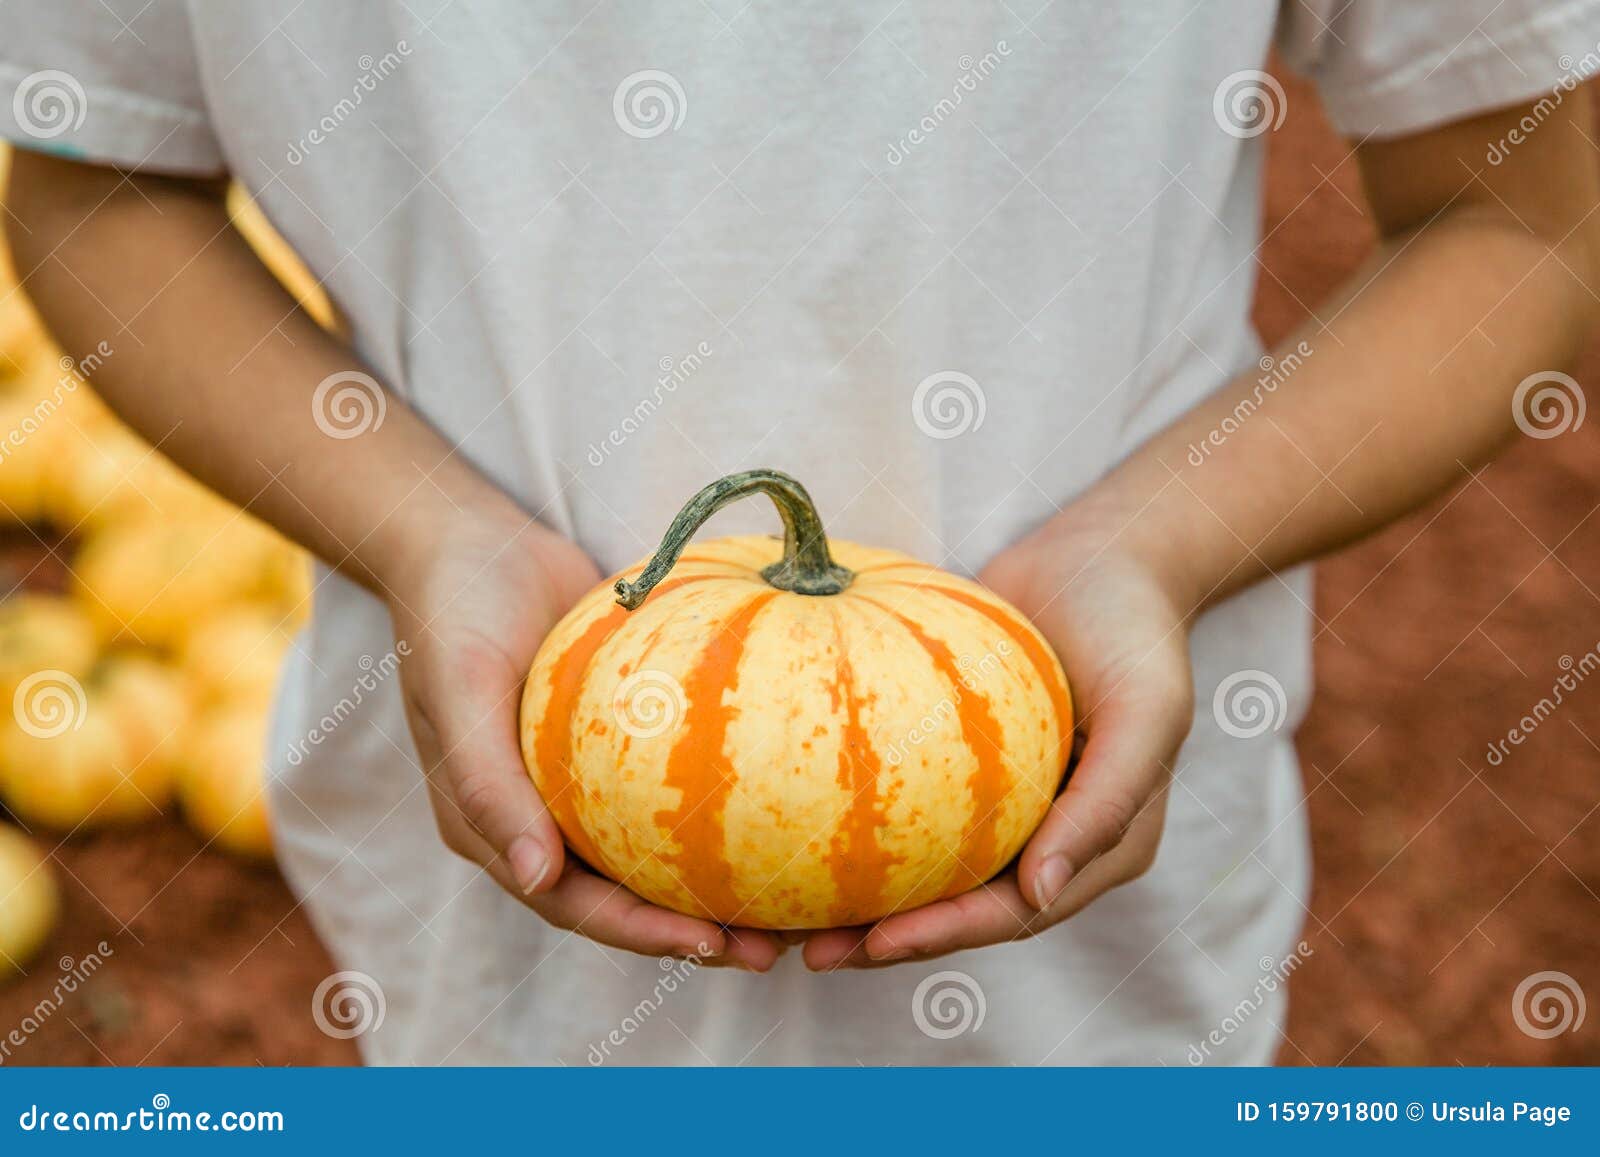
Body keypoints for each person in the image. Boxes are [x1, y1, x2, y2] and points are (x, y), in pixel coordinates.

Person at [3, 1, 1597, 1065]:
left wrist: (1155, 549)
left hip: (1096, 977)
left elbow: (1521, 212)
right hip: (481, 953)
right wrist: (423, 533)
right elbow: (92, 175)